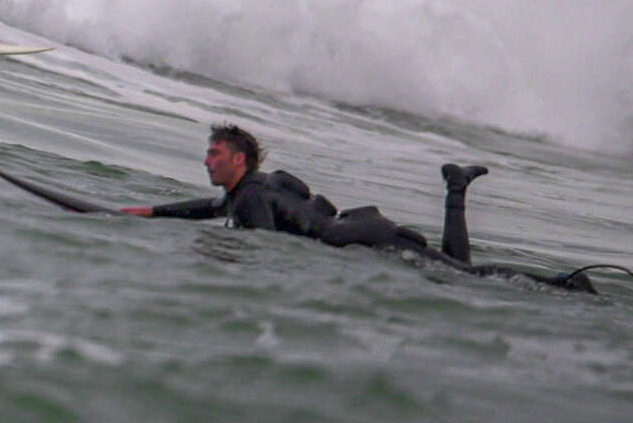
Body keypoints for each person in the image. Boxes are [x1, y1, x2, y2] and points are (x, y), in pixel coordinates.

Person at [122, 123, 595, 290]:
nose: (206, 160)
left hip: (367, 240)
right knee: (458, 273)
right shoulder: (251, 189)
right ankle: (456, 190)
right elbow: (211, 206)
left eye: (215, 154)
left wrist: (218, 255)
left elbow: (261, 248)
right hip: (363, 232)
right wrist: (151, 213)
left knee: (465, 279)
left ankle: (563, 283)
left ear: (239, 160)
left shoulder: (251, 196)